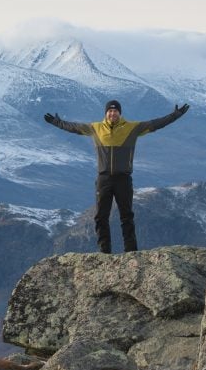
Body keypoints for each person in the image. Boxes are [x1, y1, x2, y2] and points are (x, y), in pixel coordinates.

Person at [44, 99, 189, 254]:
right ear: (106, 113)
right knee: (101, 217)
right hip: (104, 178)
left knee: (126, 216)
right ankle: (104, 251)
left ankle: (131, 251)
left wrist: (175, 115)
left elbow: (155, 124)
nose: (112, 113)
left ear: (120, 113)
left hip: (123, 179)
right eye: (110, 111)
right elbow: (74, 127)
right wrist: (57, 122)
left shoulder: (132, 128)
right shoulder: (95, 128)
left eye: (115, 111)